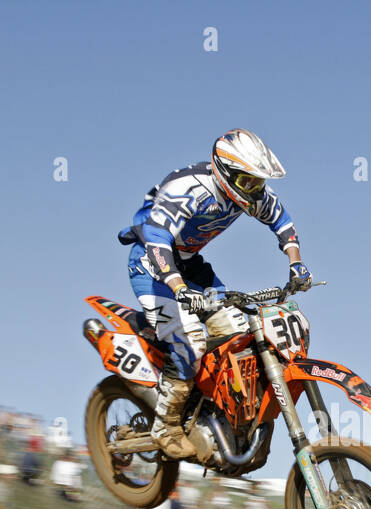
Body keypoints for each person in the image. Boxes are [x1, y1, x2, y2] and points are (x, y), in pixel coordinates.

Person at [119, 129, 311, 457]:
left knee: (241, 335)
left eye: (259, 183)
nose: (255, 192)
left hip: (192, 266)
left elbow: (282, 221)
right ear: (225, 172)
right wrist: (178, 288)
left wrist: (296, 264)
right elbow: (156, 238)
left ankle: (219, 414)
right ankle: (166, 426)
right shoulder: (187, 189)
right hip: (152, 266)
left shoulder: (250, 192)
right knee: (189, 342)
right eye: (249, 183)